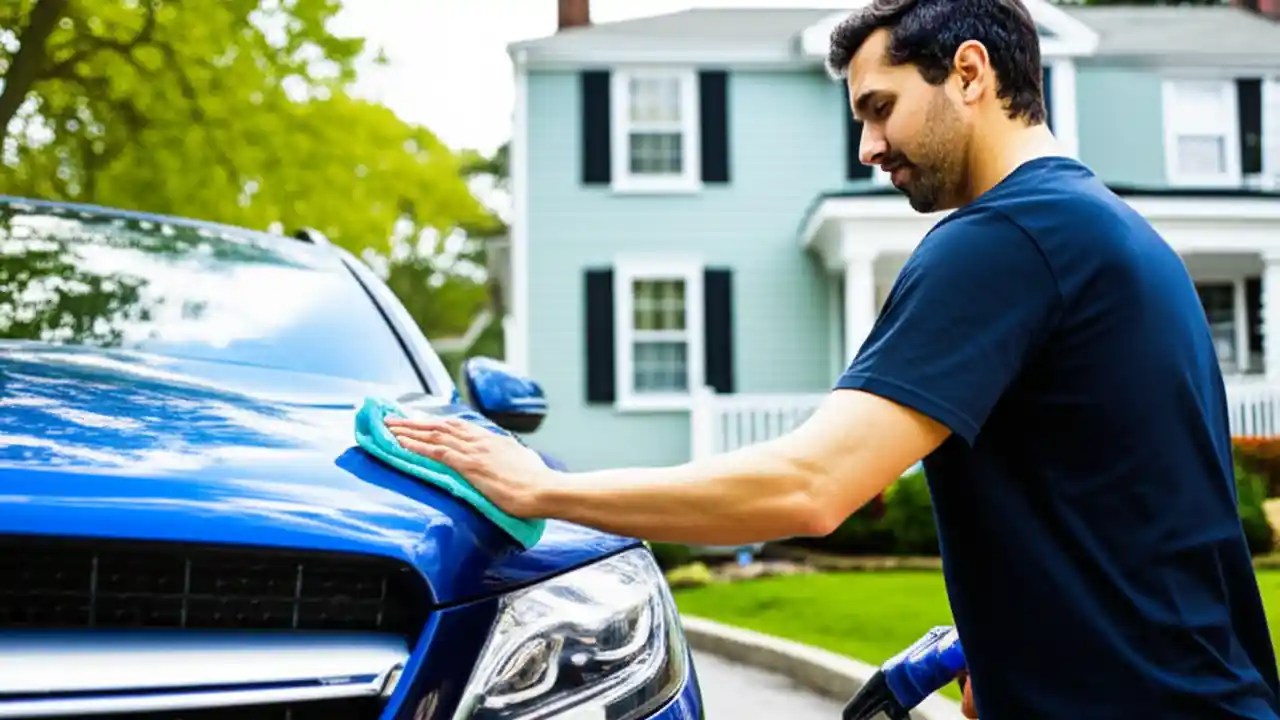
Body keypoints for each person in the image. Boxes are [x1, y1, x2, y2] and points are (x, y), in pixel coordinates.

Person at [384, 0, 1280, 717]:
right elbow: (1128, 504)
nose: (868, 148)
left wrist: (542, 489)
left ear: (969, 72)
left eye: (879, 108)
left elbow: (808, 488)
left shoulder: (1002, 240)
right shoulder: (1114, 234)